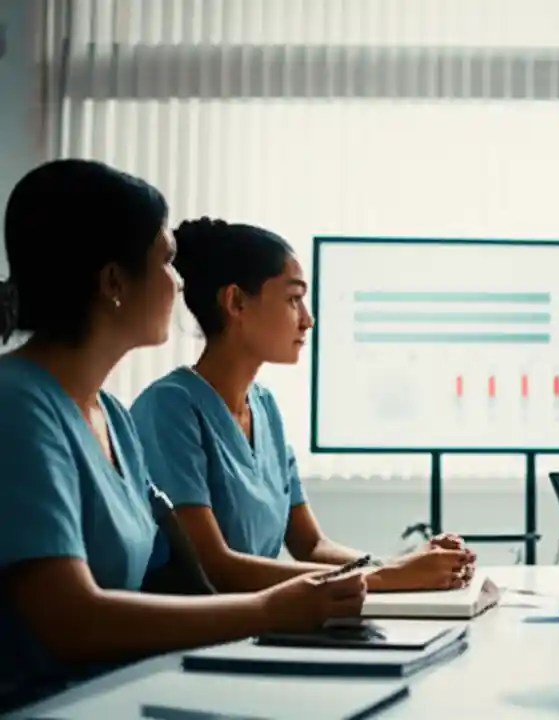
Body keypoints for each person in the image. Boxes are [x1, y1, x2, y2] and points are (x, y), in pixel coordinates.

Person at [0, 160, 365, 707]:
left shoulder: (115, 421)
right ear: (114, 282)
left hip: (125, 691)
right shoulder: (18, 406)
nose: (178, 282)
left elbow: (179, 581)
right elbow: (72, 620)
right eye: (167, 262)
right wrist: (272, 609)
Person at [130, 217, 475, 593]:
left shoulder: (265, 408)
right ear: (236, 302)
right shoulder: (169, 408)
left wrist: (406, 565)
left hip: (258, 626)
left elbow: (311, 545)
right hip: (201, 635)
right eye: (294, 299)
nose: (307, 320)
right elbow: (214, 567)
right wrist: (387, 577)